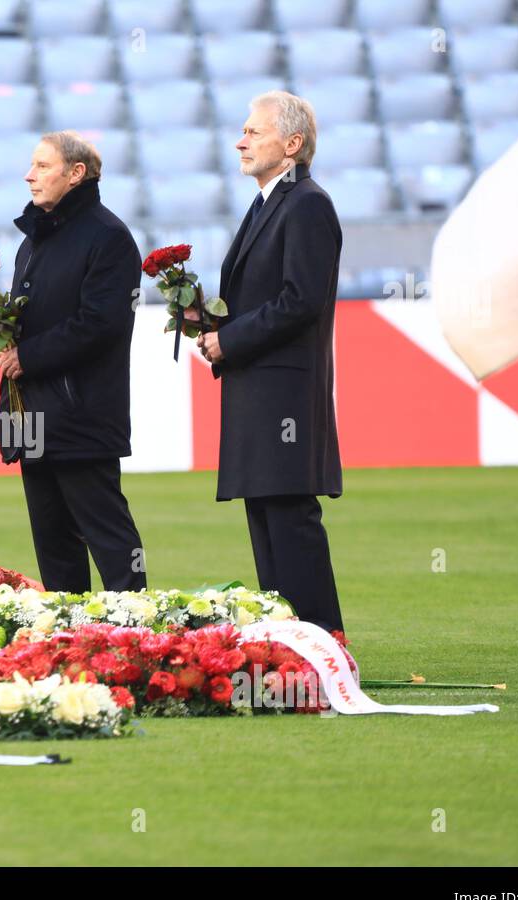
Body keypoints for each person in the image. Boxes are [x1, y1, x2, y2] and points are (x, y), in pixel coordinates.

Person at [190, 91, 345, 632]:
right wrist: (208, 324)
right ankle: (292, 645)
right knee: (266, 521)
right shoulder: (267, 203)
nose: (241, 140)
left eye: (254, 132)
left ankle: (326, 646)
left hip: (286, 401)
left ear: (293, 144)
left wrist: (227, 342)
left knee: (290, 524)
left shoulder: (307, 203)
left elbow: (299, 301)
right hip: (259, 393)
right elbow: (266, 301)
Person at [0, 130, 146, 594]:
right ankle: (66, 643)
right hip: (31, 415)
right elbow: (26, 318)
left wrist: (27, 356)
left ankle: (133, 635)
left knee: (108, 536)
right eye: (31, 166)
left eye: (42, 166)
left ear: (76, 174)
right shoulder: (34, 239)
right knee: (53, 543)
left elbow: (100, 324)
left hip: (82, 414)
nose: (28, 175)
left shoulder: (109, 236)